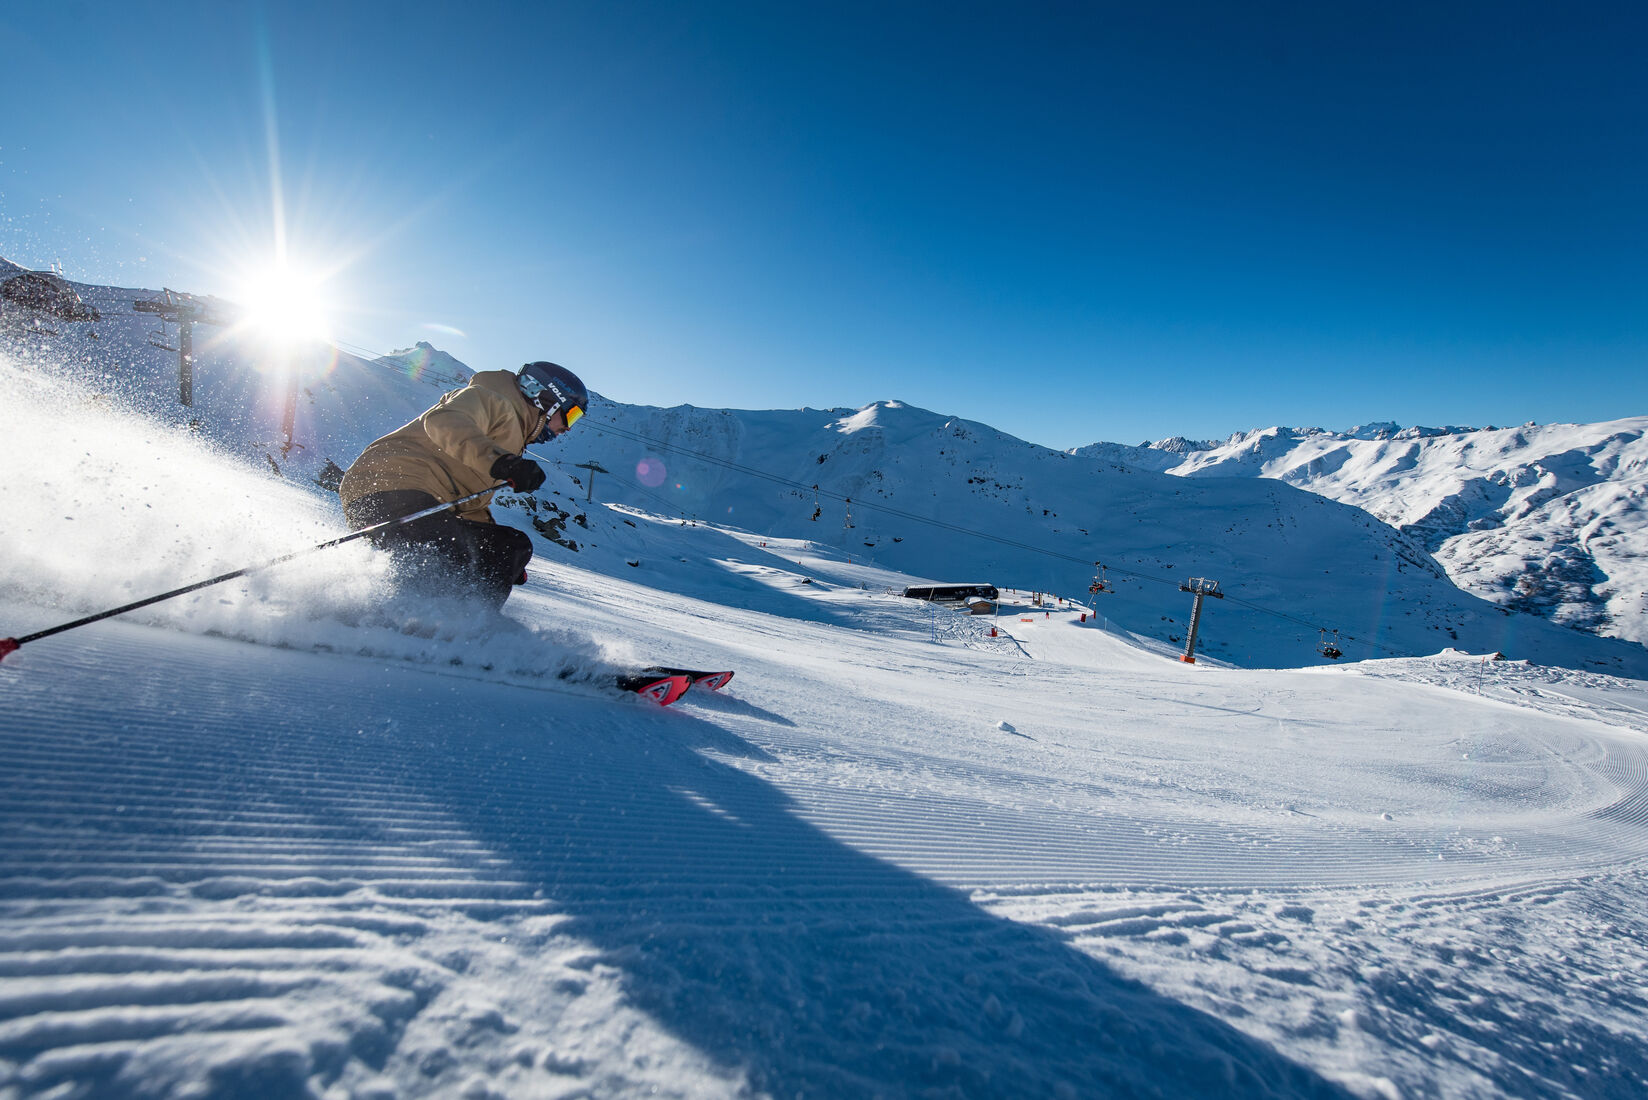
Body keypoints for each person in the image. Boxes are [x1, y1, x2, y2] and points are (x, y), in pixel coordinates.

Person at [338, 361, 589, 608]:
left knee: (510, 546)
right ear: (547, 399)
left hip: (407, 495)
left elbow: (469, 504)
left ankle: (455, 626)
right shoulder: (492, 400)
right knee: (454, 561)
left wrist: (501, 560)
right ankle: (436, 627)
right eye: (571, 415)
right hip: (393, 484)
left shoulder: (513, 434)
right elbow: (444, 422)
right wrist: (502, 461)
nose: (567, 428)